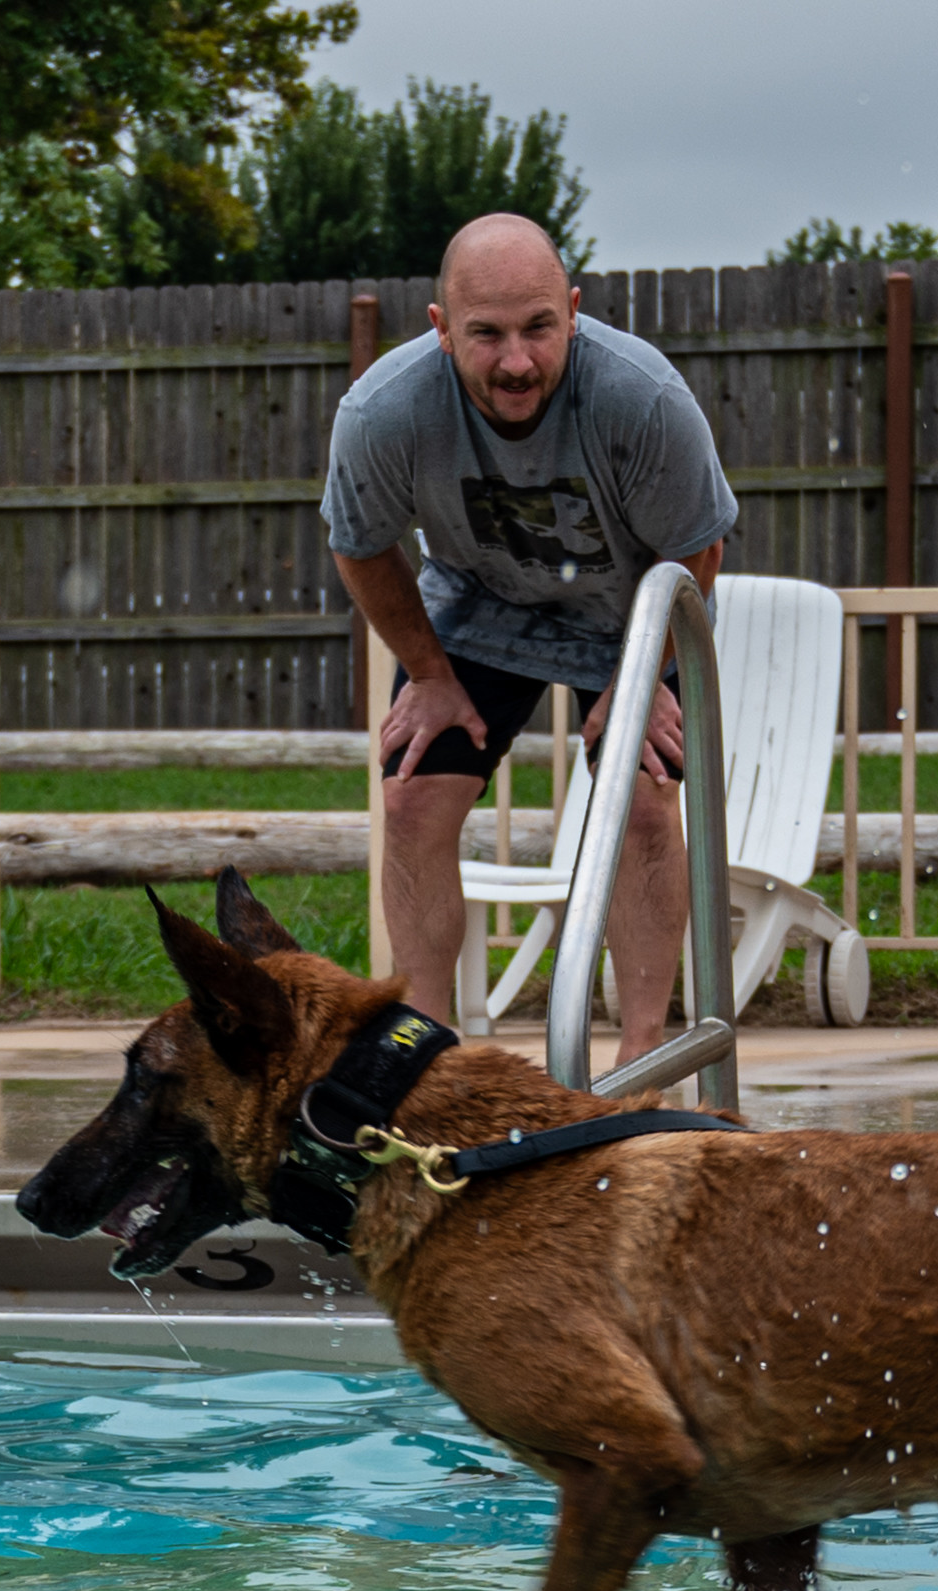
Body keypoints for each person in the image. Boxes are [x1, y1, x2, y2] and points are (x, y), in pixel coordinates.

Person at [323, 212, 737, 1069]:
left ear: (573, 311)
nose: (517, 362)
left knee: (644, 802)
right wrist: (430, 677)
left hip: (629, 615)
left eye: (539, 328)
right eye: (487, 335)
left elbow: (698, 544)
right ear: (442, 329)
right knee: (411, 799)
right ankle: (425, 1054)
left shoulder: (640, 396)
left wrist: (639, 678)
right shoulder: (384, 412)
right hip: (480, 608)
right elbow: (359, 546)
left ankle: (639, 1067)